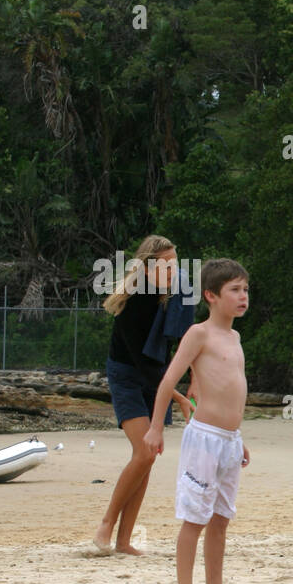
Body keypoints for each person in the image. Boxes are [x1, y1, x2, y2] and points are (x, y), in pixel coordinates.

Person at [143, 258, 251, 584]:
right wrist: (155, 428)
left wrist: (239, 437)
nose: (243, 296)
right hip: (203, 439)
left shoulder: (235, 336)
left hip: (229, 441)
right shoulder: (198, 334)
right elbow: (168, 382)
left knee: (221, 518)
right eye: (234, 290)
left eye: (245, 289)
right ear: (211, 295)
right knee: (195, 518)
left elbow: (222, 388)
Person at [93, 235, 196, 554]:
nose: (172, 271)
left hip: (159, 376)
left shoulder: (177, 294)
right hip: (128, 375)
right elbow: (142, 363)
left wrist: (192, 380)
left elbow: (184, 343)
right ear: (147, 267)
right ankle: (106, 525)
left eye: (174, 264)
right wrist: (179, 398)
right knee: (144, 453)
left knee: (147, 460)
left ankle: (124, 541)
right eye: (164, 265)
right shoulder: (135, 301)